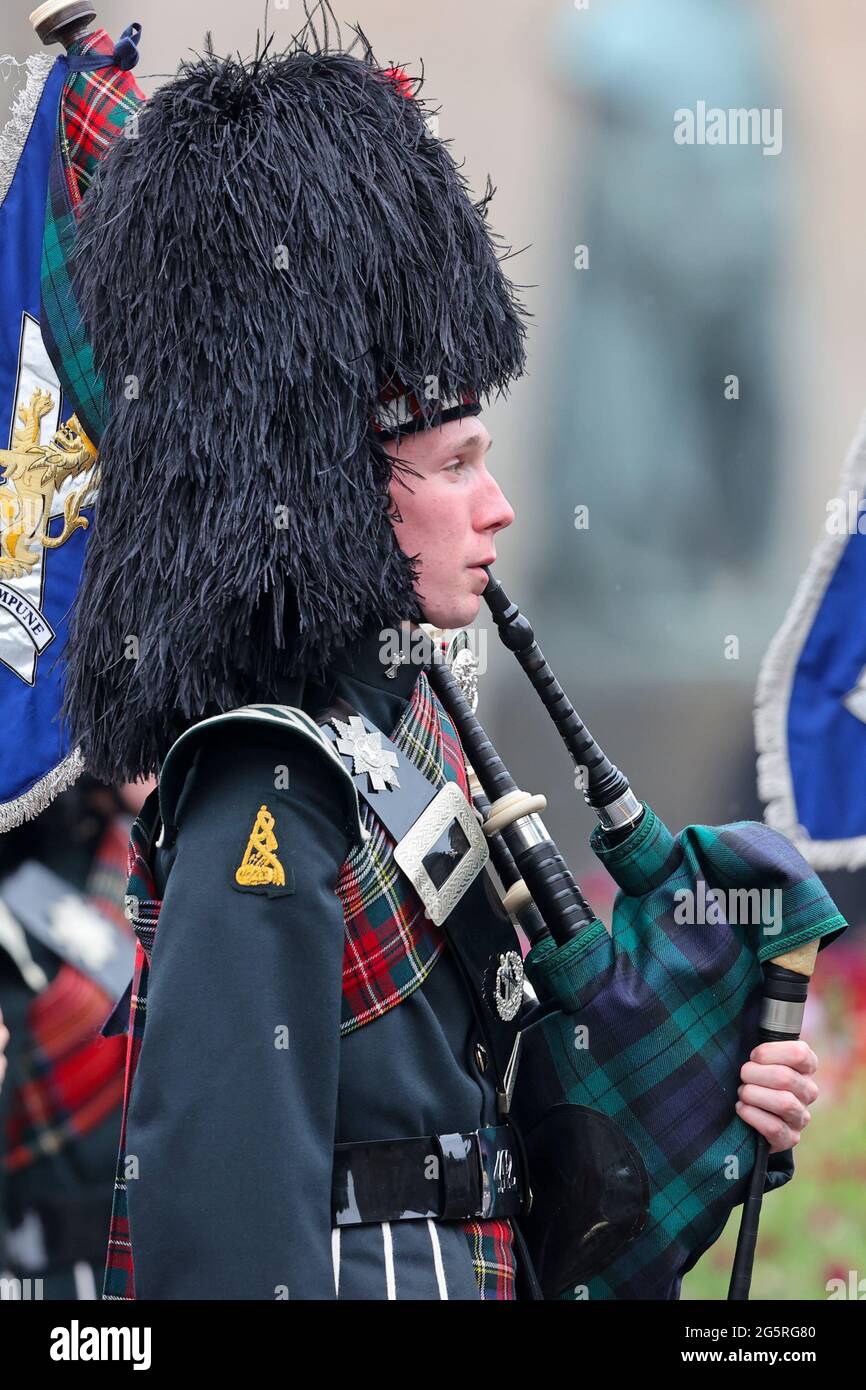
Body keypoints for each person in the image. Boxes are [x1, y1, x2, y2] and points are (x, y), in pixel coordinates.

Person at [58, 11, 819, 1301]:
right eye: (456, 464)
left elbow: (484, 1110)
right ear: (337, 488)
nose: (501, 504)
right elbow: (225, 1235)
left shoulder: (398, 730)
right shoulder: (268, 786)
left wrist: (690, 1095)